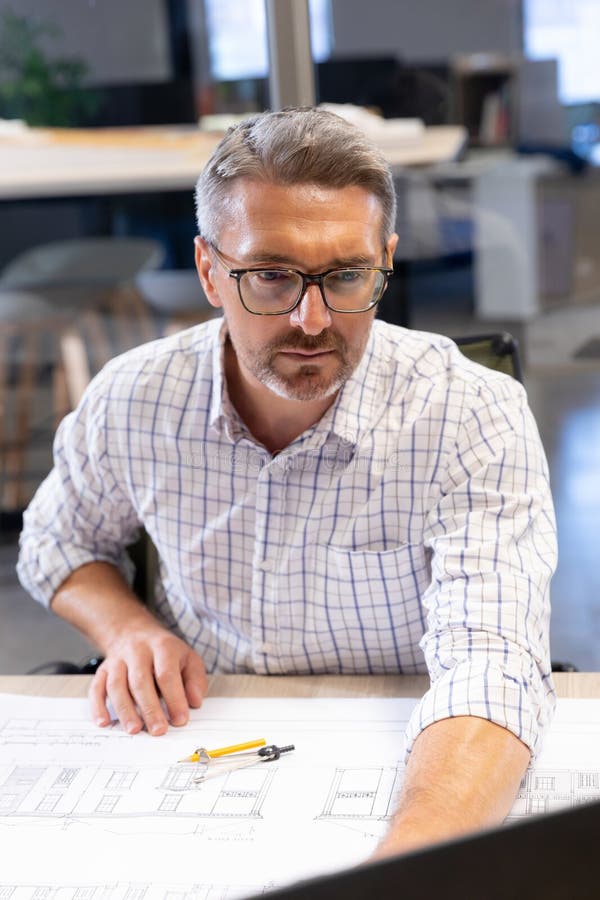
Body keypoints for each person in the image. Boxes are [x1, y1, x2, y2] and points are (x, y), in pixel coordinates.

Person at [18, 107, 557, 859]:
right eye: (271, 276)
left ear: (386, 261)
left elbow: (490, 667)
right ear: (210, 271)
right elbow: (55, 541)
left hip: (405, 744)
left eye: (346, 276)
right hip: (198, 747)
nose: (312, 320)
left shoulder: (470, 414)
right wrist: (127, 628)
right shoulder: (134, 398)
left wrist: (404, 875)